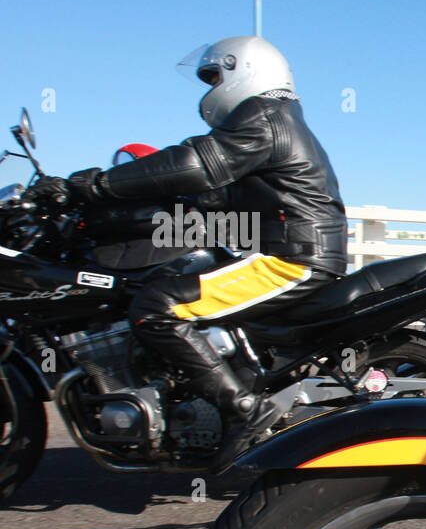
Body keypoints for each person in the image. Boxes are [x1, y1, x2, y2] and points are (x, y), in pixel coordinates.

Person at [26, 36, 348, 469]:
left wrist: (90, 185)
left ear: (245, 70)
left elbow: (196, 163)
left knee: (155, 306)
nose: (210, 87)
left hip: (292, 258)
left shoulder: (266, 116)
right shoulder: (275, 120)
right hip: (287, 247)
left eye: (214, 76)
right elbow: (216, 192)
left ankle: (247, 410)